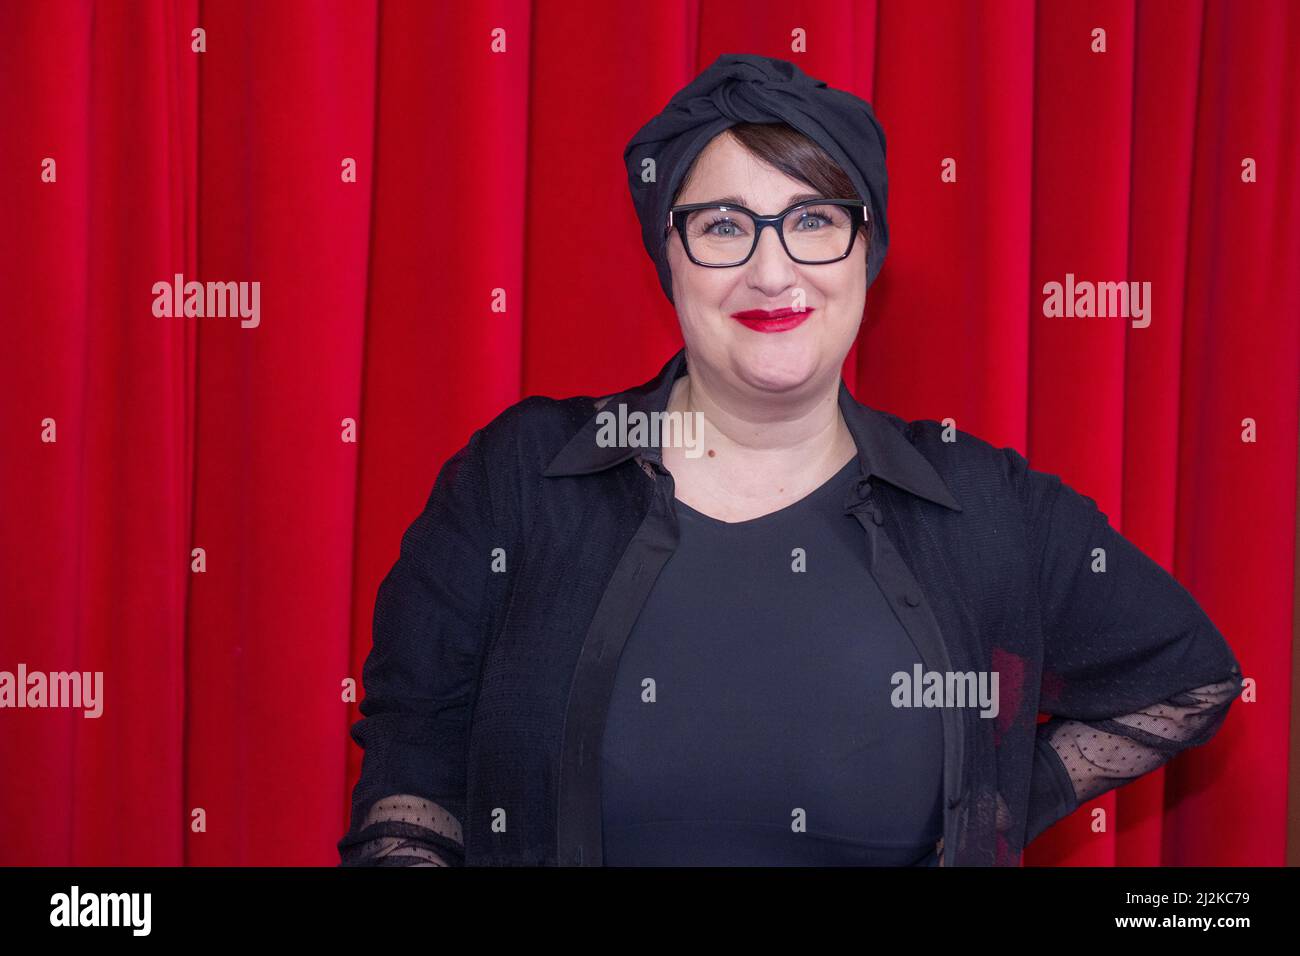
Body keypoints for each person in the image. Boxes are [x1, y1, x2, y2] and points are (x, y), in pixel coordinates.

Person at [337, 53, 1242, 867]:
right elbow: (415, 764)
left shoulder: (981, 502)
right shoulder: (520, 476)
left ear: (865, 251)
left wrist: (994, 812)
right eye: (725, 227)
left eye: (811, 220)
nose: (773, 273)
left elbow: (1188, 675)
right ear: (672, 257)